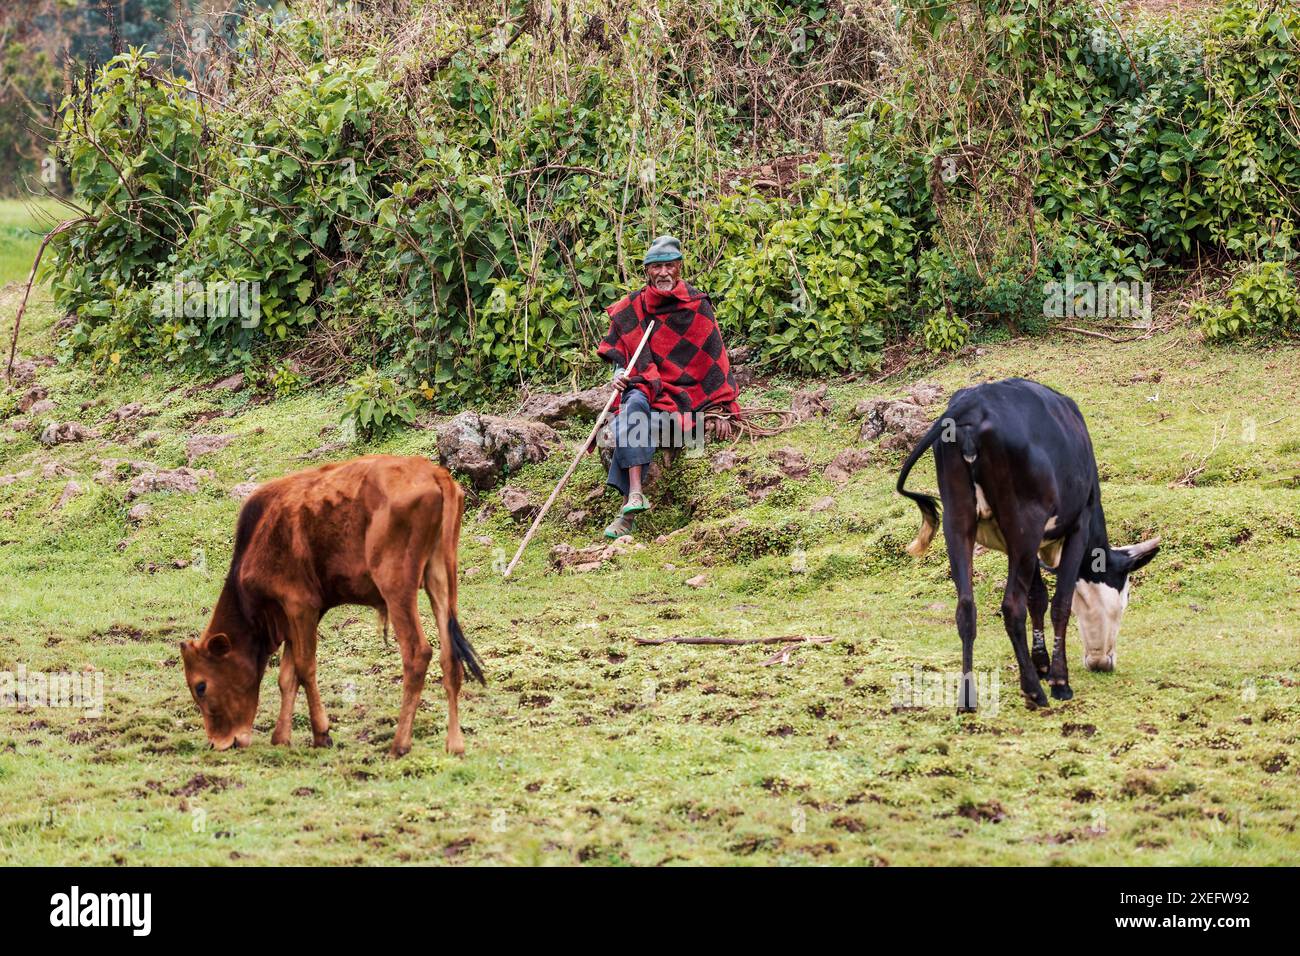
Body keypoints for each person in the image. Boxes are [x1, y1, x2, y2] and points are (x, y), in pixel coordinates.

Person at [594, 235, 742, 539]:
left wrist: (719, 410)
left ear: (679, 268)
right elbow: (622, 356)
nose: (663, 273)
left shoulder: (697, 305)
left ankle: (626, 516)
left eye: (669, 266)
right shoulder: (633, 307)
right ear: (648, 271)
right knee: (633, 401)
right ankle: (635, 494)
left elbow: (715, 364)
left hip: (686, 396)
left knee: (625, 422)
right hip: (649, 386)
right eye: (657, 267)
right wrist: (620, 374)